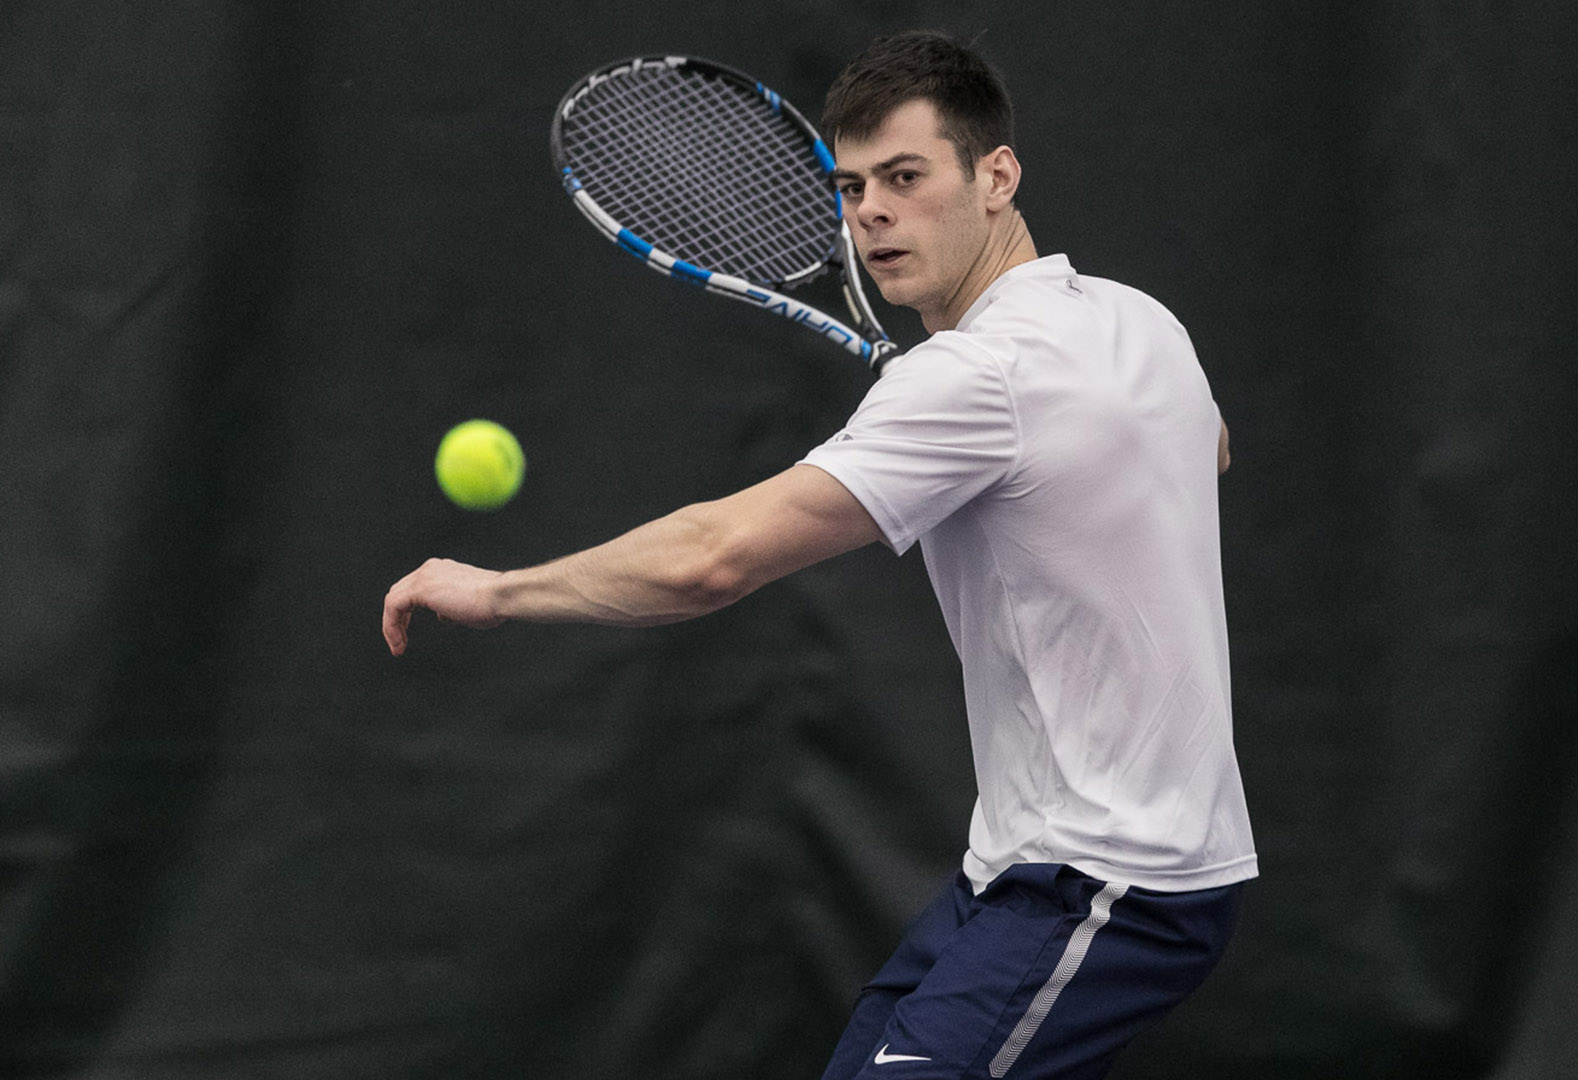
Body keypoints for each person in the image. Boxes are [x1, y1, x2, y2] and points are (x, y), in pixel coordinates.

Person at [382, 30, 1256, 1080]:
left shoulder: (972, 379)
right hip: (1024, 867)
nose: (871, 212)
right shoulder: (1135, 319)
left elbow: (713, 556)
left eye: (904, 177)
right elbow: (1205, 445)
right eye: (849, 187)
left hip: (1110, 879)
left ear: (997, 177)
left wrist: (500, 593)